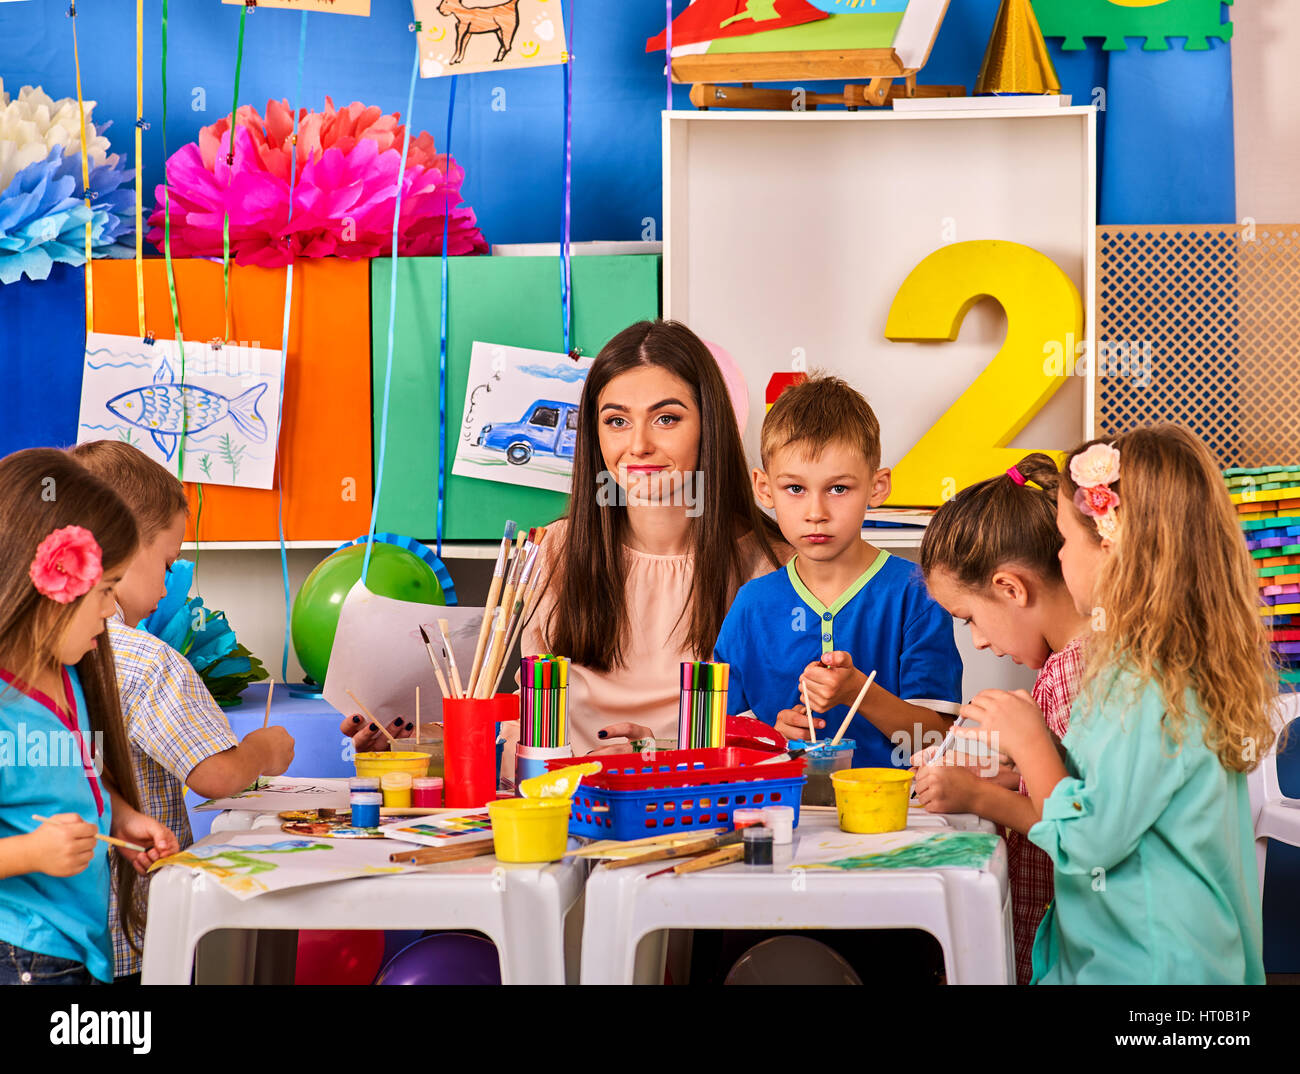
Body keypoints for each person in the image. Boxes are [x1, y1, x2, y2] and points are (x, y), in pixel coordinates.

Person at [957, 426, 1276, 983]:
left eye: (1062, 539)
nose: (1058, 557)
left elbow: (1091, 839)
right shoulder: (1166, 665)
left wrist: (1030, 739)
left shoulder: (1142, 681)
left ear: (1108, 544)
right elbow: (1114, 790)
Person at [69, 441, 295, 982]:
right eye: (168, 562)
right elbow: (216, 775)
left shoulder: (40, 658)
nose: (172, 582)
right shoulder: (146, 660)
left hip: (60, 936)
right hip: (134, 938)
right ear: (119, 550)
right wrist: (264, 749)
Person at [713, 373, 962, 767]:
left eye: (839, 489)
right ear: (764, 489)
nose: (816, 513)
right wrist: (772, 736)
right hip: (782, 818)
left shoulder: (916, 592)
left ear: (877, 487)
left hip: (897, 819)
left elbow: (936, 739)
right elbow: (721, 744)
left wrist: (858, 691)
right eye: (795, 489)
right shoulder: (751, 605)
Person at [0, 449, 177, 985]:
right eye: (104, 591)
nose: (111, 609)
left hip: (72, 949)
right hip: (23, 952)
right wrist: (32, 851)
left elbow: (76, 769)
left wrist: (120, 816)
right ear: (54, 585)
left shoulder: (69, 672)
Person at [914, 452, 1088, 984]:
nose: (981, 640)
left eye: (970, 618)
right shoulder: (1070, 664)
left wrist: (979, 799)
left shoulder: (1076, 673)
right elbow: (1067, 781)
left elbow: (1083, 829)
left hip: (1084, 938)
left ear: (1011, 588)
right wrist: (1002, 772)